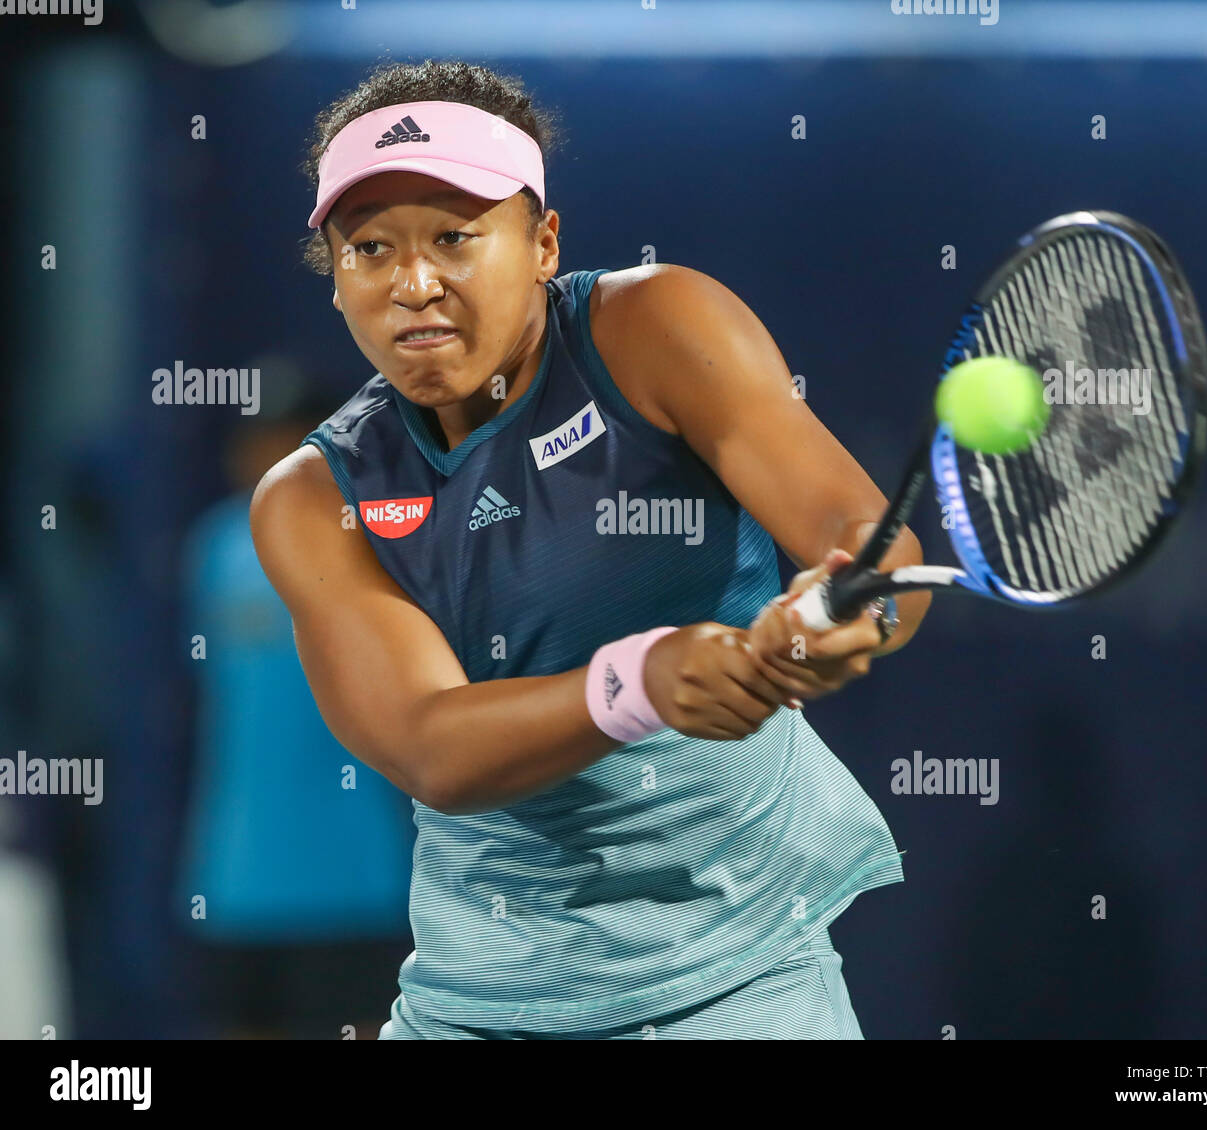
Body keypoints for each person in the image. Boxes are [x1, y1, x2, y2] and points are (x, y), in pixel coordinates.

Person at [251, 60, 931, 1040]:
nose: (413, 282)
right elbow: (429, 744)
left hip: (742, 982)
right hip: (473, 1003)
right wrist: (639, 680)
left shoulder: (658, 325)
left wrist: (852, 604)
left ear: (541, 242)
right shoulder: (315, 498)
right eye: (369, 249)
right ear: (337, 276)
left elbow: (858, 534)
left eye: (454, 236)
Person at [178, 392, 414, 1039]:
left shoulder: (380, 535)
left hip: (358, 878)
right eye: (254, 437)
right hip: (237, 876)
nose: (264, 454)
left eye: (285, 436)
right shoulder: (213, 548)